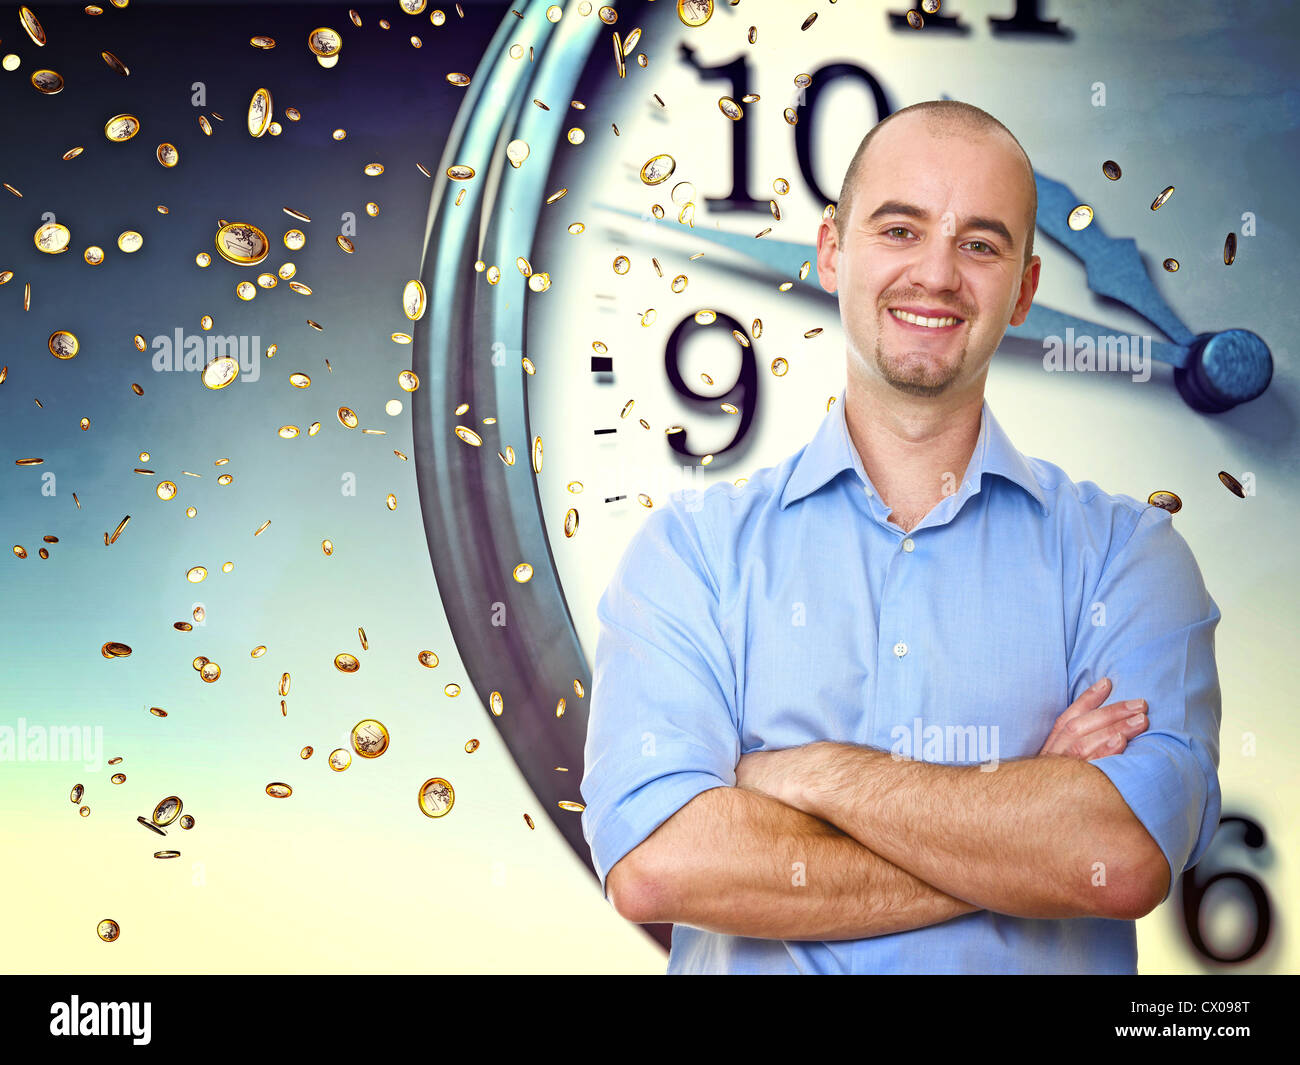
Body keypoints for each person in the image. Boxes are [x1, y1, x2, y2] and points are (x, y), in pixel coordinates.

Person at [579, 100, 1222, 974]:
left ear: (1024, 290)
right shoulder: (690, 555)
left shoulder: (1130, 558)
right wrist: (1018, 830)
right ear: (831, 251)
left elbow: (1118, 859)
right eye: (899, 230)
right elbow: (660, 864)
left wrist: (811, 774)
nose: (937, 274)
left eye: (980, 244)